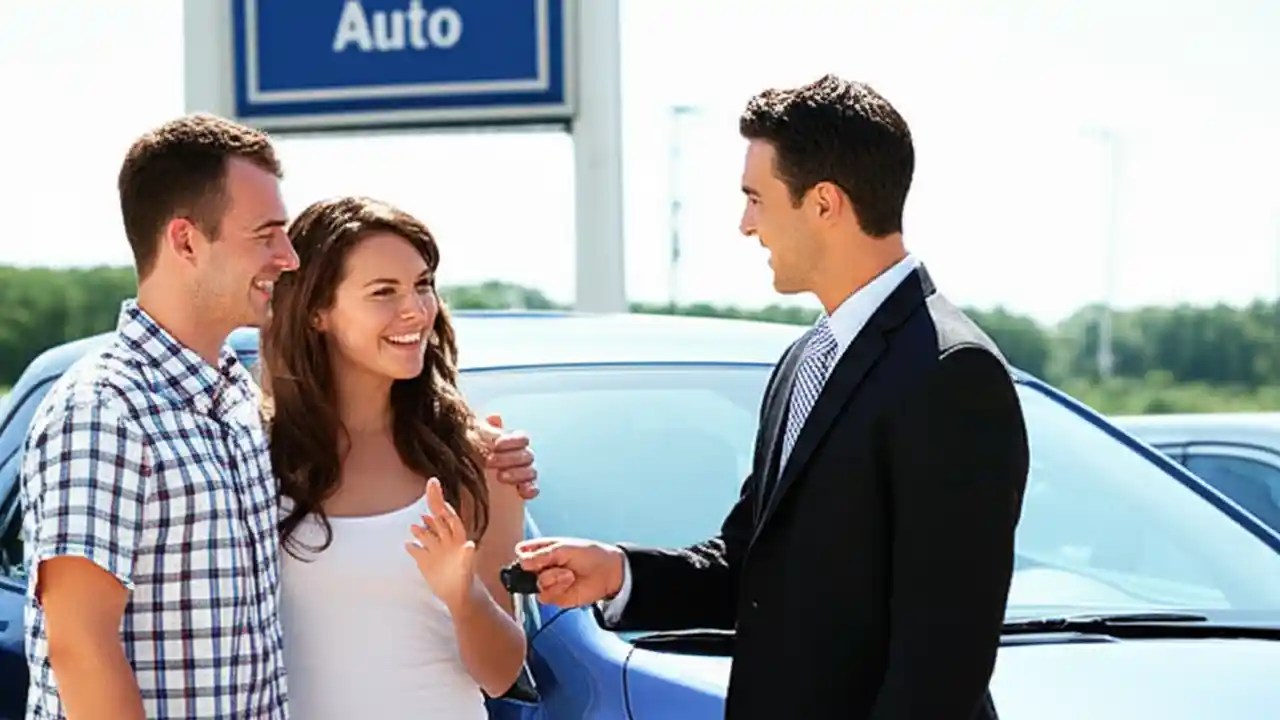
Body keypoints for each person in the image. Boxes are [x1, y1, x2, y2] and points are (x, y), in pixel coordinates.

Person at [516, 75, 1030, 719]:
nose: (746, 224)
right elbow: (750, 571)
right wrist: (620, 572)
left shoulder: (953, 373)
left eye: (756, 198)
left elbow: (942, 658)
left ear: (823, 203)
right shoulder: (803, 361)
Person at [18, 115, 537, 720]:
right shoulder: (104, 409)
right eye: (265, 234)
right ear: (186, 241)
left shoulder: (236, 412)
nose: (286, 258)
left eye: (422, 287)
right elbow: (80, 645)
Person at [259, 195, 529, 720]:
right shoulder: (253, 456)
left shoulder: (480, 458)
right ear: (318, 312)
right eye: (384, 292)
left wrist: (462, 594)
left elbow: (501, 675)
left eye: (423, 285)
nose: (416, 310)